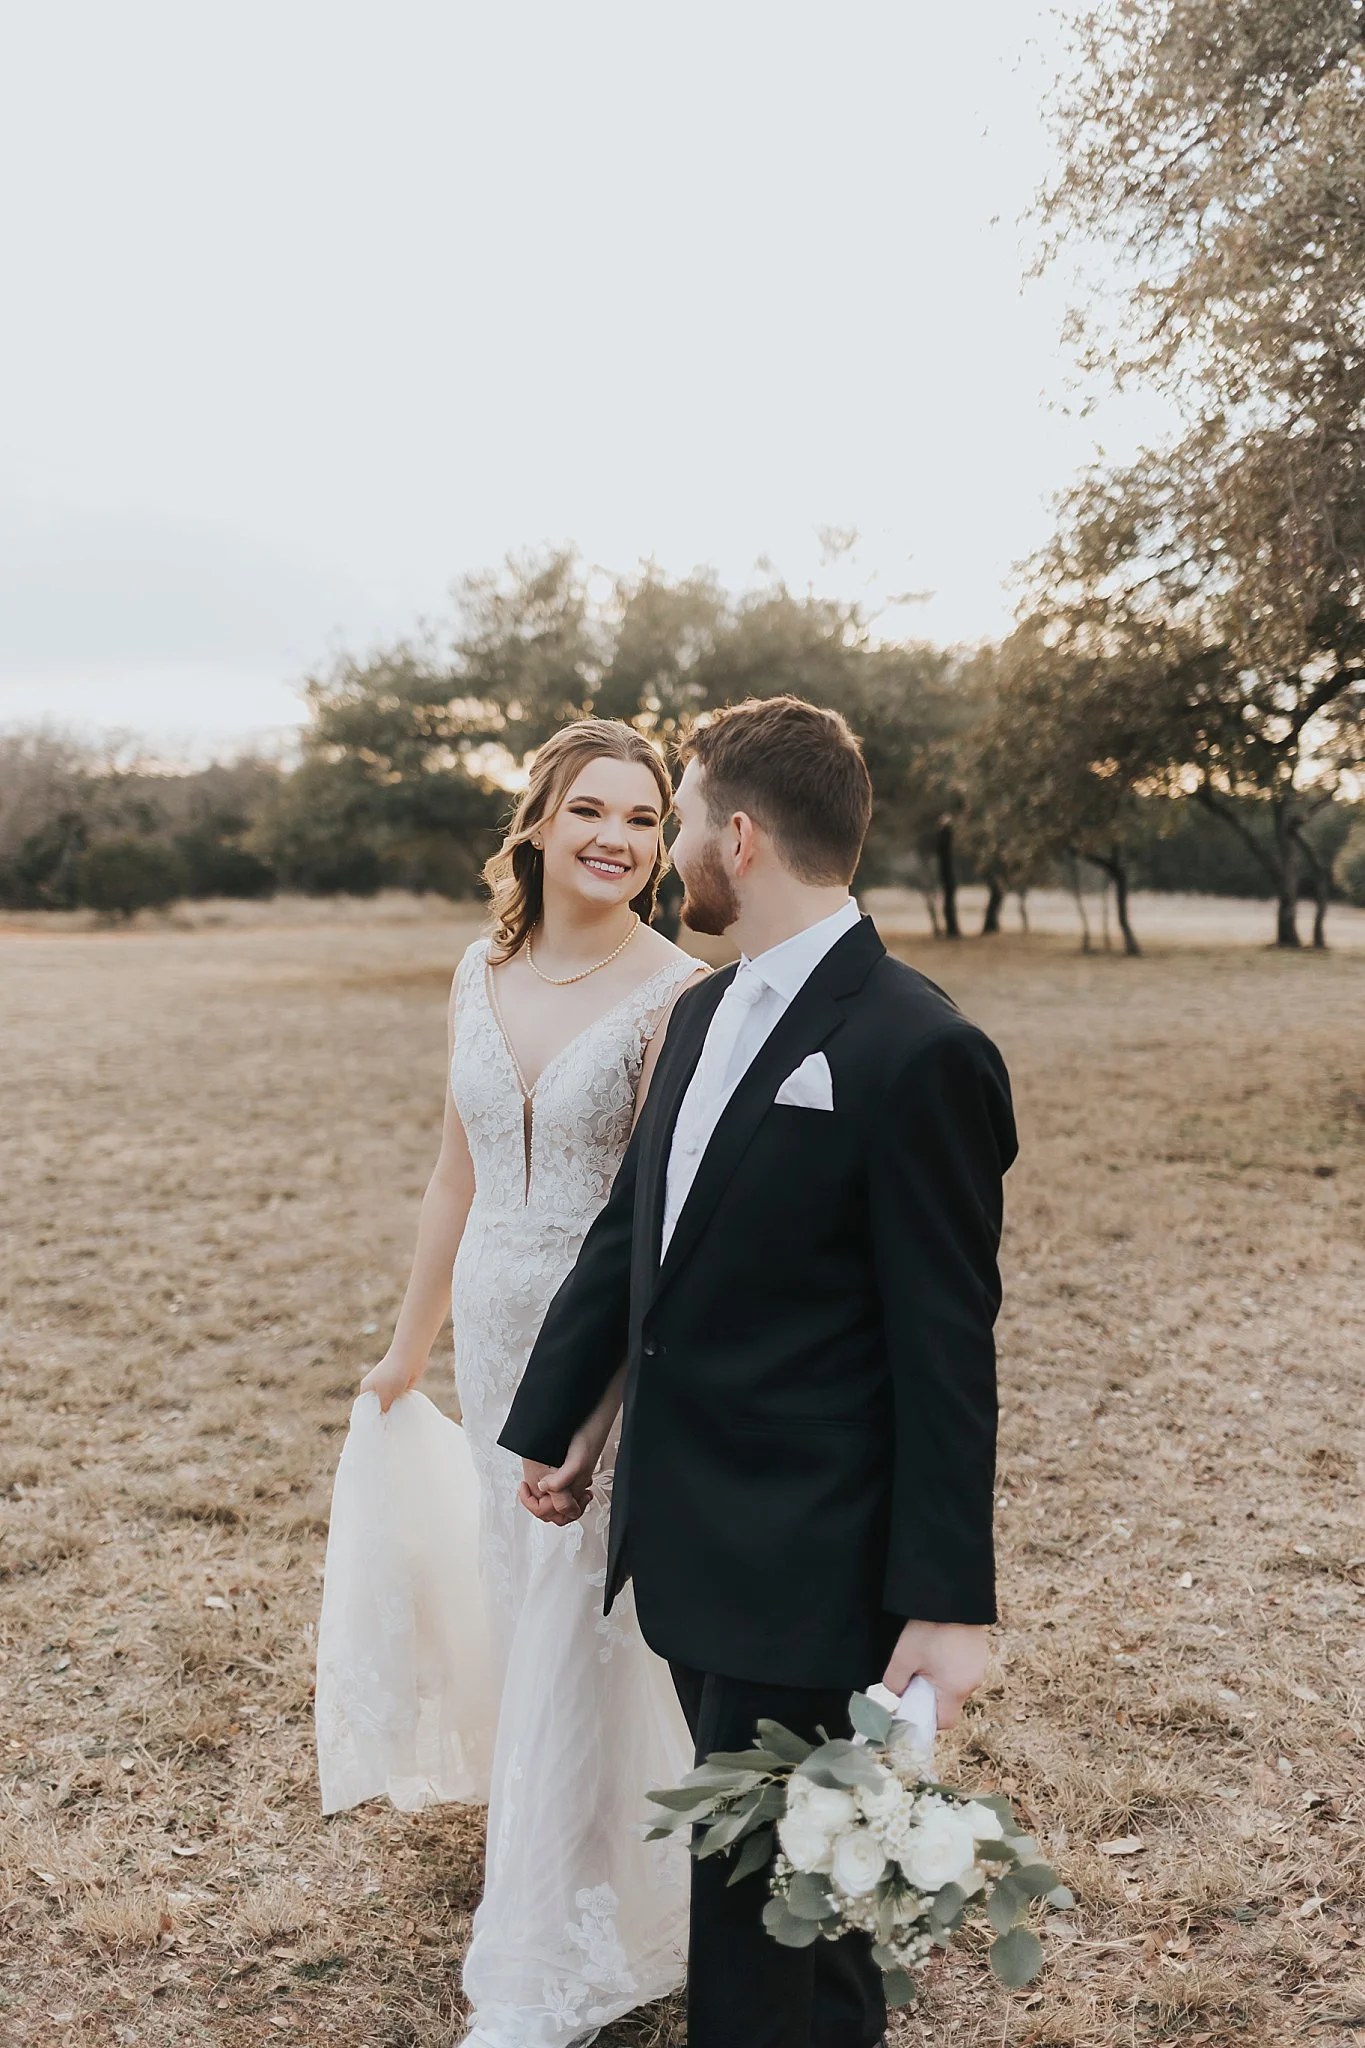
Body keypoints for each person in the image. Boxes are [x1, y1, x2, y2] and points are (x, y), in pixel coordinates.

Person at [500, 695, 1018, 2048]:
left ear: (738, 837)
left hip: (811, 1562)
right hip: (689, 1542)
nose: (669, 851)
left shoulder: (919, 1050)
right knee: (790, 1902)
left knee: (761, 1916)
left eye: (676, 821)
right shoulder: (707, 1008)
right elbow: (639, 1231)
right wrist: (572, 1419)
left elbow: (947, 1350)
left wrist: (947, 1604)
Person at [356, 719, 706, 2048]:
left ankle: (551, 1951)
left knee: (578, 1609)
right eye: (592, 810)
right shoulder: (479, 967)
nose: (618, 837)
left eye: (645, 818)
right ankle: (588, 1845)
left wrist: (599, 1405)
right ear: (541, 825)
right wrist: (407, 1350)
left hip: (596, 1352)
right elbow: (454, 1176)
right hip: (489, 1344)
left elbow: (658, 1222)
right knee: (529, 1606)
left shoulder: (678, 994)